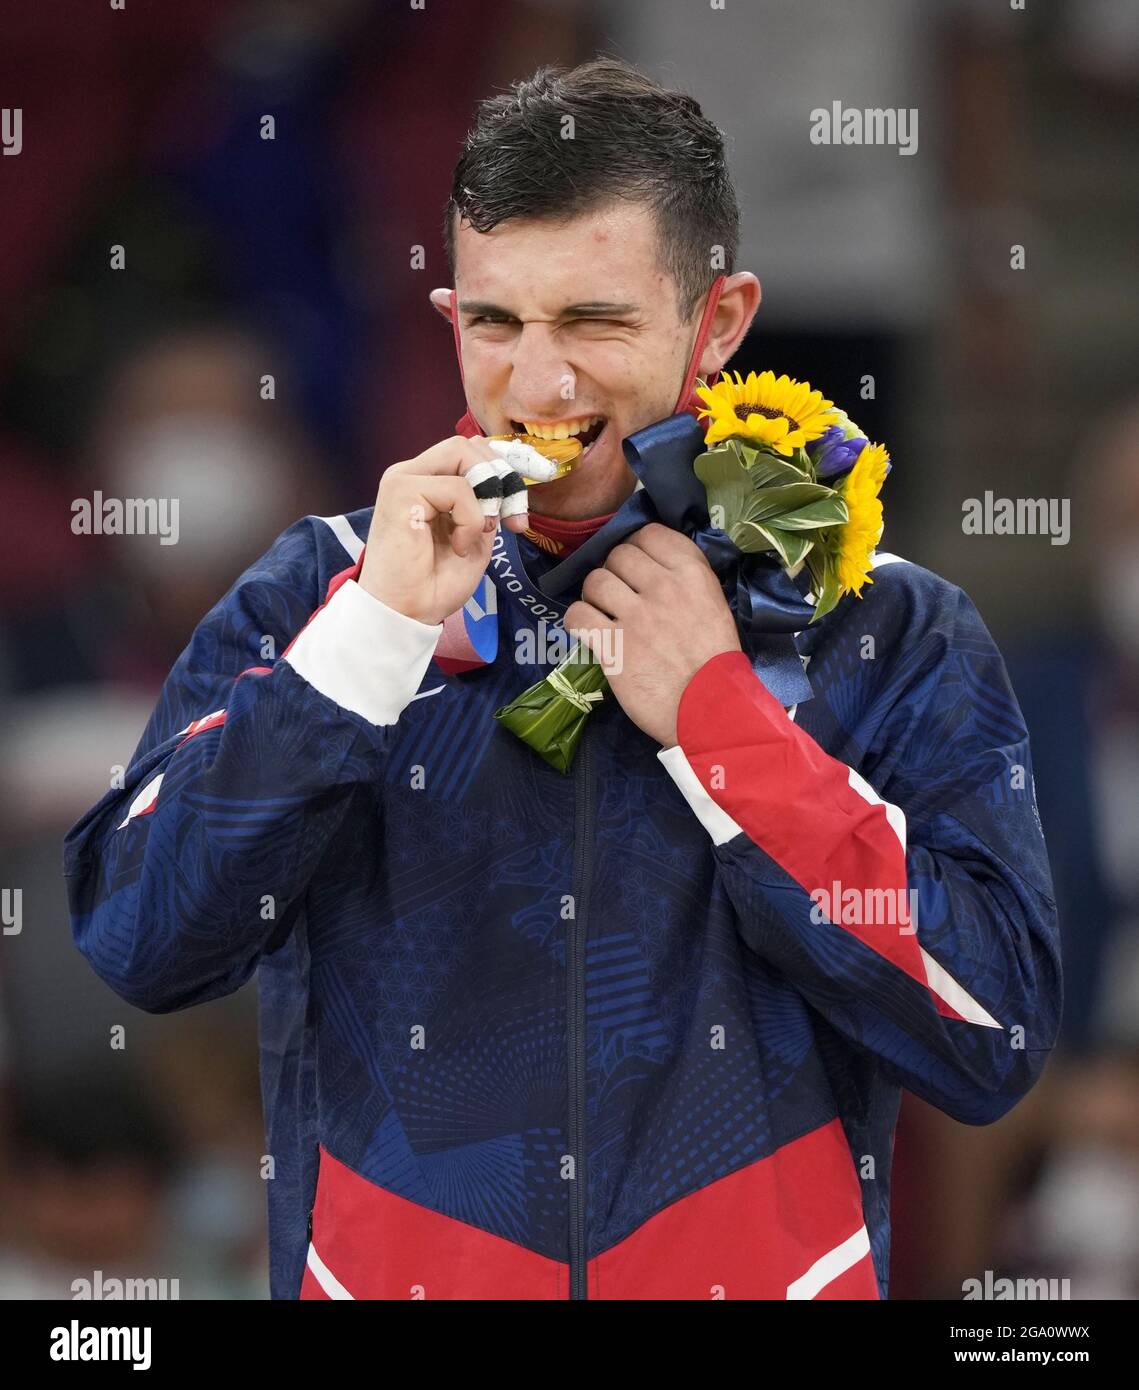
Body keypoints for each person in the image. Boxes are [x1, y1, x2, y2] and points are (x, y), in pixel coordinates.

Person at [64, 58, 1061, 1301]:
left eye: (594, 321)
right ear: (448, 319)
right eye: (494, 322)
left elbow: (991, 1037)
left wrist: (727, 730)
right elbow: (139, 938)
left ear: (720, 320)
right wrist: (367, 643)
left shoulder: (882, 623)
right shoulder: (315, 592)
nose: (539, 383)